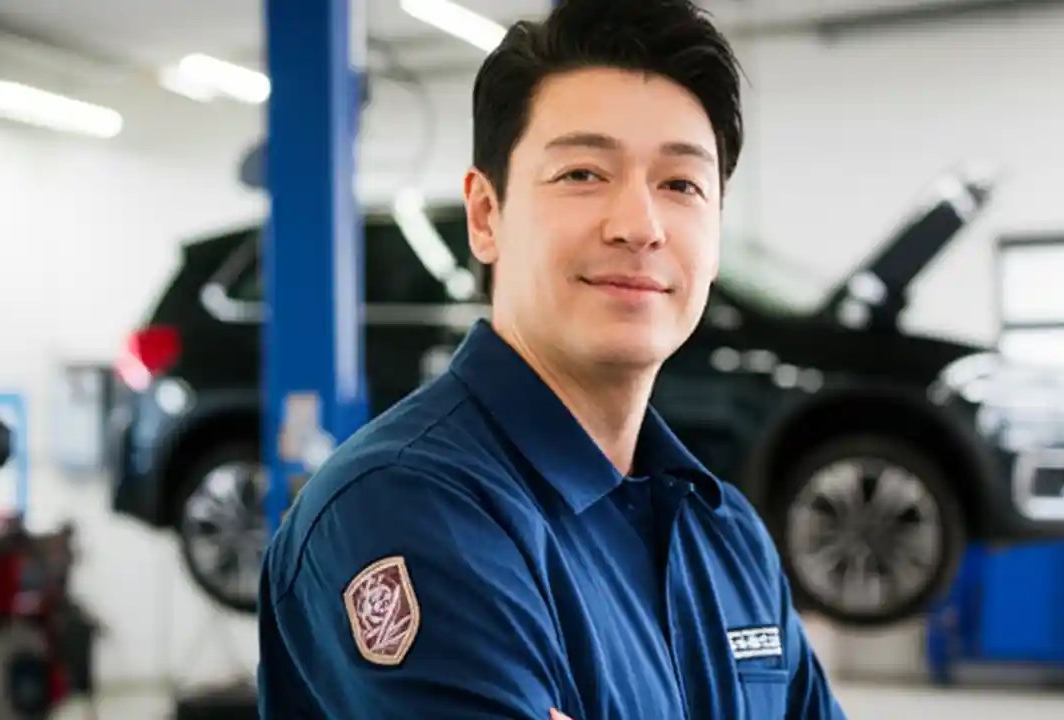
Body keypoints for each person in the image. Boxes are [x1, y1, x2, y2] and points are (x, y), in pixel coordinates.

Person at [257, 0, 846, 717]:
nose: (639, 226)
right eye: (582, 174)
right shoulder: (403, 510)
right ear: (485, 215)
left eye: (681, 184)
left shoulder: (727, 537)